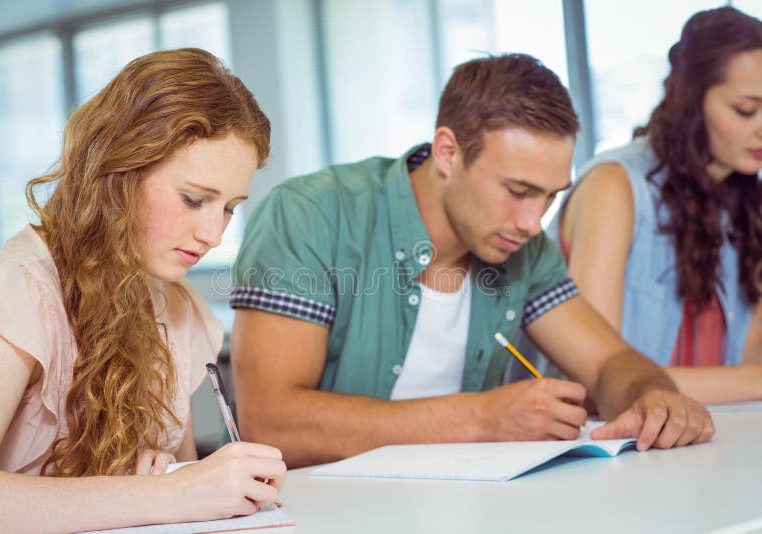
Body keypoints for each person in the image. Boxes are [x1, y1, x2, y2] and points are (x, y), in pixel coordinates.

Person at [228, 53, 714, 469]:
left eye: (548, 197)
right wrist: (483, 418)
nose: (532, 221)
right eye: (519, 191)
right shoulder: (311, 214)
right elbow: (271, 421)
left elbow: (609, 361)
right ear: (447, 152)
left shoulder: (522, 246)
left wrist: (654, 397)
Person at [0, 48, 286, 532]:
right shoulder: (19, 293)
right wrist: (161, 492)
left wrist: (176, 483)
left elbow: (179, 496)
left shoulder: (180, 313)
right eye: (194, 199)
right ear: (120, 175)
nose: (213, 234)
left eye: (229, 207)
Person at [551, 7, 762, 404]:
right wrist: (753, 382)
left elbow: (747, 362)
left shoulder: (747, 204)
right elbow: (595, 379)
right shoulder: (615, 187)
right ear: (692, 102)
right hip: (610, 449)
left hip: (703, 441)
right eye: (745, 110)